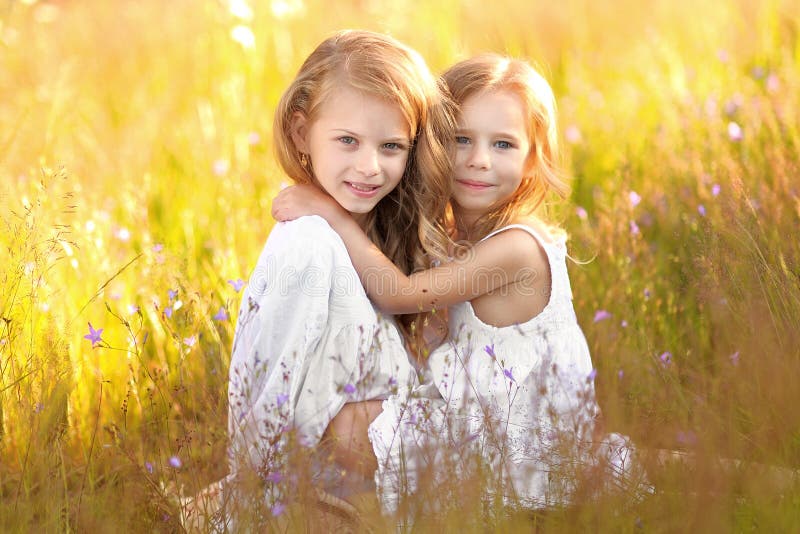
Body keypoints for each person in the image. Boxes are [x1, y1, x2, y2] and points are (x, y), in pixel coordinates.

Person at [271, 53, 648, 515]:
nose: (478, 161)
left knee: (347, 430)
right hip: (477, 423)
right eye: (461, 139)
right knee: (349, 424)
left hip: (514, 449)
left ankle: (309, 503)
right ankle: (314, 502)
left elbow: (399, 295)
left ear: (533, 159)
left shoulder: (516, 248)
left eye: (504, 144)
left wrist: (330, 214)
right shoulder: (456, 238)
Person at [194, 30, 456, 528]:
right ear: (300, 134)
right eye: (347, 141)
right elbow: (270, 381)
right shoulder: (309, 244)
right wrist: (251, 495)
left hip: (371, 474)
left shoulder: (375, 228)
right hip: (318, 488)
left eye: (391, 146)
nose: (369, 167)